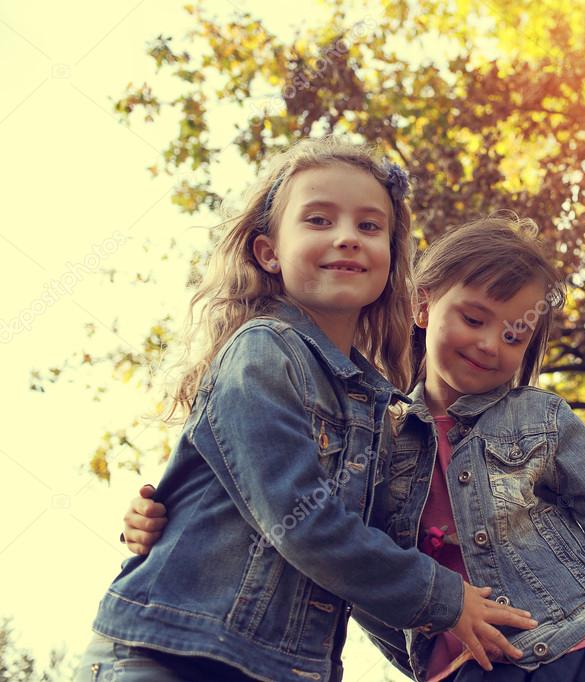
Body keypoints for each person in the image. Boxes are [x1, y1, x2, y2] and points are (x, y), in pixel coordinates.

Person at [77, 139, 536, 682]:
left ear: (391, 260)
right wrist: (444, 598)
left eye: (370, 226)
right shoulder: (261, 350)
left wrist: (435, 650)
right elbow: (300, 520)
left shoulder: (378, 408)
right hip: (172, 653)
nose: (347, 236)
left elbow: (361, 560)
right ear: (269, 252)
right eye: (319, 219)